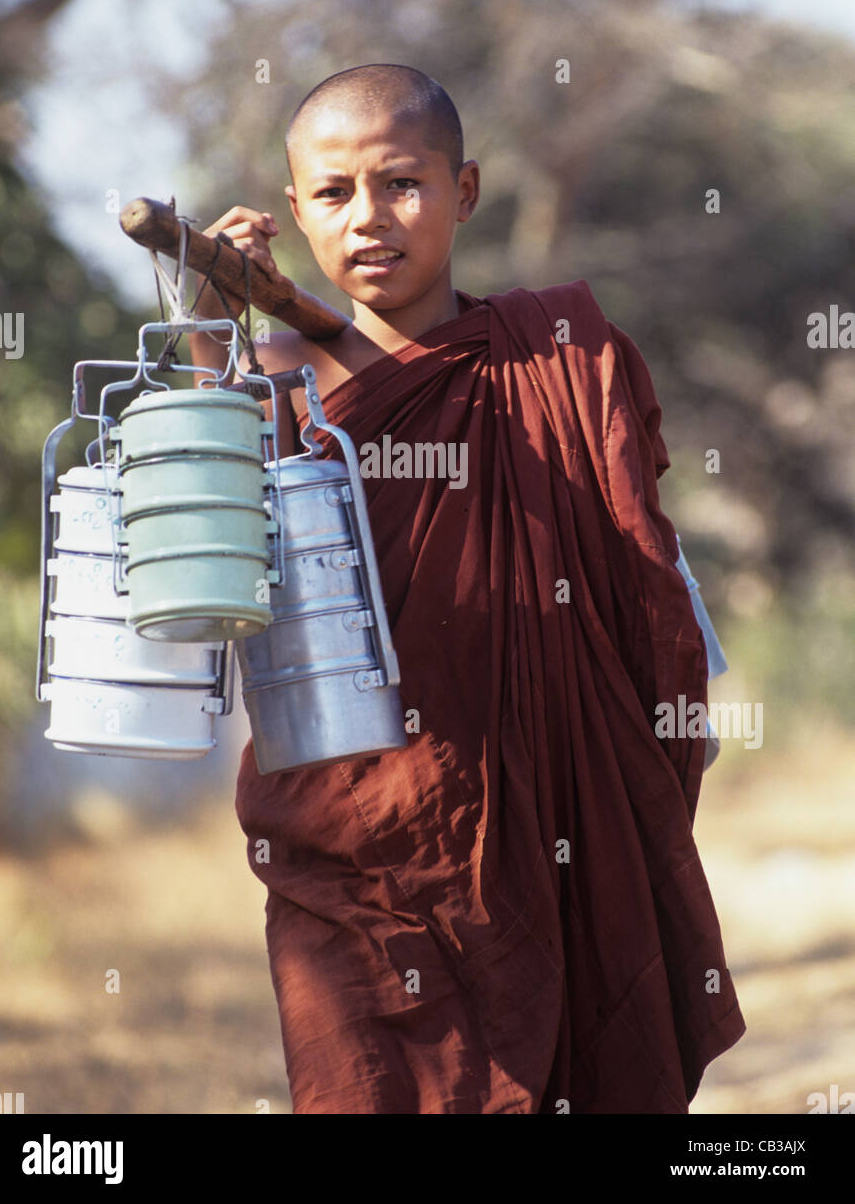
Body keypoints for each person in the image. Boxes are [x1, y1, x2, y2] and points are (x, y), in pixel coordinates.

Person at [187, 63, 746, 1114]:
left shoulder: (556, 356)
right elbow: (195, 575)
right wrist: (207, 337)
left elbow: (650, 580)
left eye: (402, 183)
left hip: (553, 809)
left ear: (466, 190)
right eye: (336, 193)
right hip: (355, 830)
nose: (369, 219)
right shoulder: (262, 381)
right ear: (295, 207)